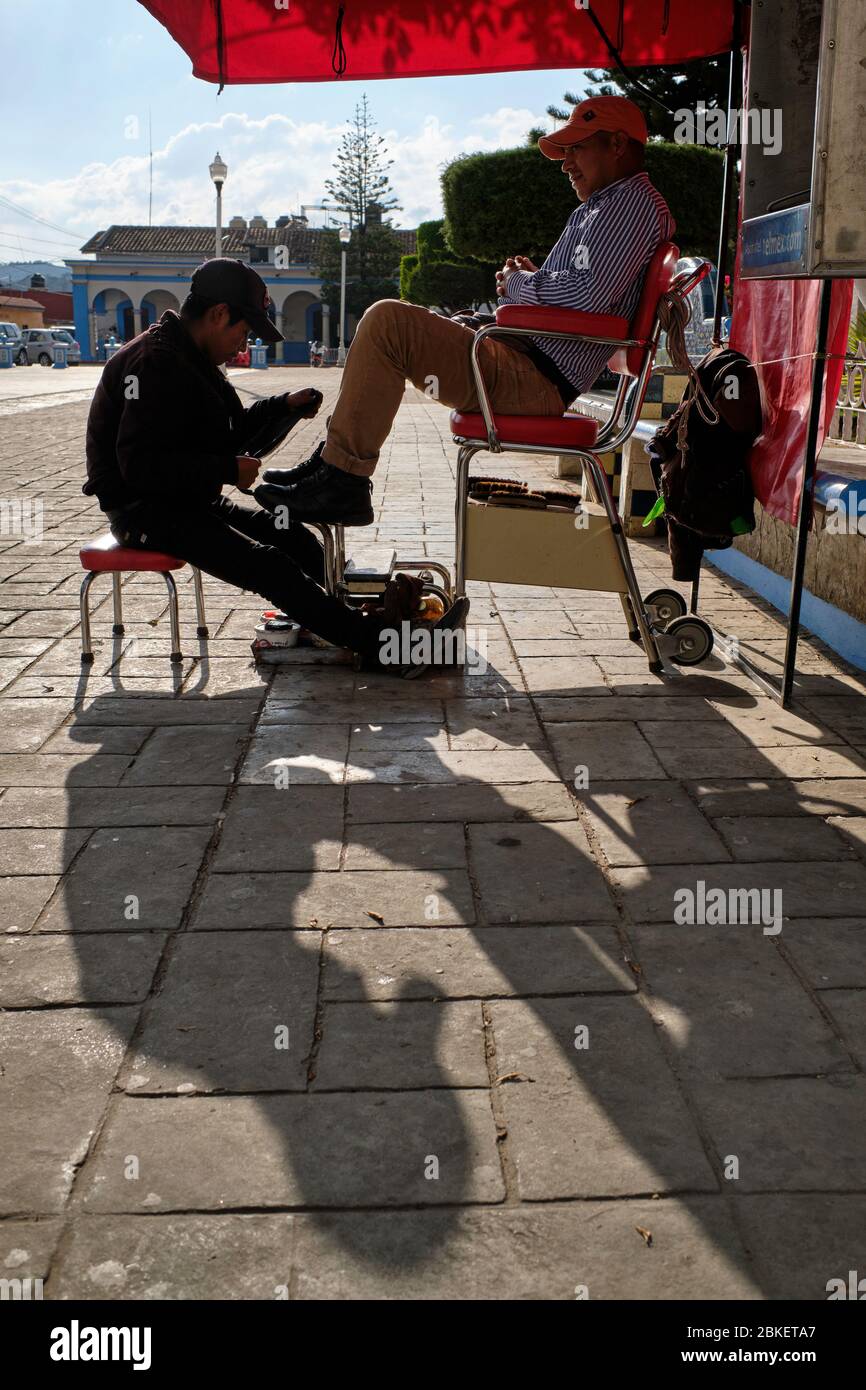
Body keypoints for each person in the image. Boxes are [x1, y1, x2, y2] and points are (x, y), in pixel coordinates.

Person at [255, 95, 675, 527]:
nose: (566, 163)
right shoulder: (608, 206)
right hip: (527, 367)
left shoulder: (630, 205)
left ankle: (342, 478)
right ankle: (335, 466)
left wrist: (520, 285)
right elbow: (584, 291)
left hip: (534, 381)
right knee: (405, 325)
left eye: (576, 149)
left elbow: (586, 297)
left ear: (619, 144)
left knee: (387, 322)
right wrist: (532, 284)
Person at [82, 258, 467, 674]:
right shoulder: (156, 363)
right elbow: (139, 467)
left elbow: (235, 429)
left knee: (292, 537)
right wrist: (227, 471)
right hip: (144, 511)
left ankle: (374, 611)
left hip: (185, 501)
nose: (243, 346)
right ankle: (382, 648)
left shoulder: (193, 356)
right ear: (218, 315)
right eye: (243, 332)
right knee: (267, 566)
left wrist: (284, 408)